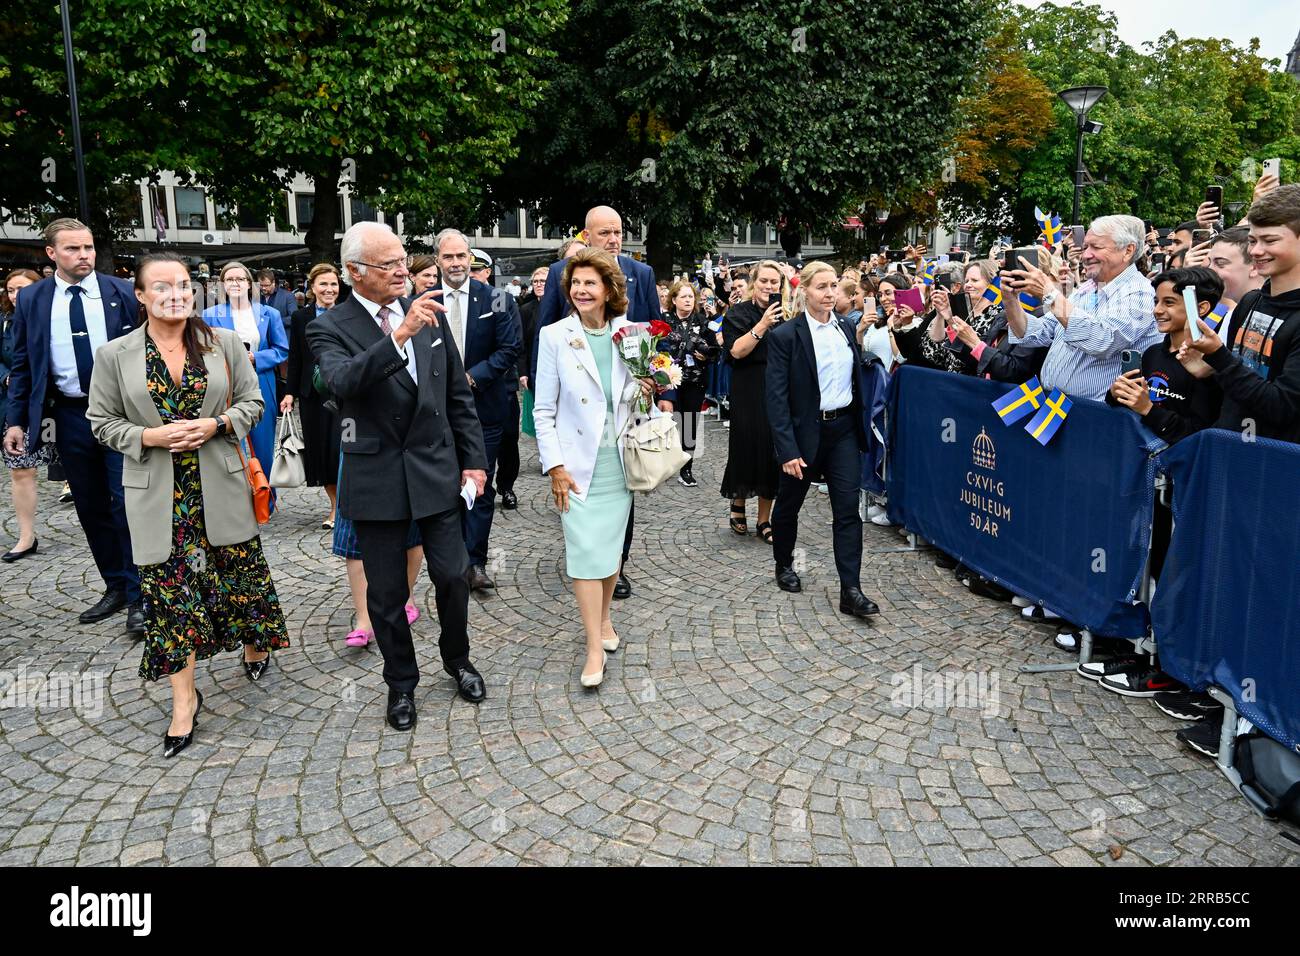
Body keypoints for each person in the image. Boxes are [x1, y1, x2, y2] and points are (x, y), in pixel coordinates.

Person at [87, 252, 289, 758]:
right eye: (162, 286)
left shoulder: (221, 345)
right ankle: (184, 700)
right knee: (170, 594)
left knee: (239, 574)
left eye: (182, 285)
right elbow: (101, 422)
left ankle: (254, 642)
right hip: (158, 494)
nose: (175, 294)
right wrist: (149, 436)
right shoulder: (115, 354)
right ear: (140, 295)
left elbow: (252, 403)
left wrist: (216, 425)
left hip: (219, 484)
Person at [307, 222, 489, 730]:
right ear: (353, 272)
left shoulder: (430, 316)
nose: (400, 271)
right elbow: (342, 381)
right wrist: (400, 333)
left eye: (402, 261)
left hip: (435, 470)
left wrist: (474, 460)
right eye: (388, 265)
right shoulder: (330, 325)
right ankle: (401, 683)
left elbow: (457, 395)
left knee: (453, 576)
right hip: (376, 477)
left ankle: (458, 659)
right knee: (386, 596)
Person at [3, 219, 143, 633]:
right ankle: (115, 585)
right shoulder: (33, 298)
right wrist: (15, 421)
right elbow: (24, 362)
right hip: (67, 414)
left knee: (125, 502)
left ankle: (141, 597)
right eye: (73, 249)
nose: (84, 255)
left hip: (121, 414)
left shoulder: (121, 291)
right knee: (90, 505)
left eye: (88, 247)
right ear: (51, 254)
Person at [531, 205, 672, 600]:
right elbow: (547, 330)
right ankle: (589, 562)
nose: (613, 239)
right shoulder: (563, 274)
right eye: (605, 233)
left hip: (623, 408)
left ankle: (617, 565)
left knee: (622, 490)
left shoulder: (640, 274)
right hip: (576, 402)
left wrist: (659, 387)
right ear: (586, 236)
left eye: (618, 232)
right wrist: (536, 385)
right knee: (580, 490)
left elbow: (656, 337)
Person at [533, 248, 654, 688]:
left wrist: (647, 388)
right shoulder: (553, 336)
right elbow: (542, 411)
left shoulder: (633, 334)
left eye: (590, 283)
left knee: (609, 555)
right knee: (585, 556)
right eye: (575, 283)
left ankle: (605, 620)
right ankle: (591, 647)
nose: (581, 290)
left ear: (608, 290)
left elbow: (635, 402)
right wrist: (555, 467)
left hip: (618, 461)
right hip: (578, 466)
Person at [766, 261, 880, 620]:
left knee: (847, 511)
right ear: (805, 291)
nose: (830, 293)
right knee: (788, 505)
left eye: (834, 286)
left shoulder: (846, 328)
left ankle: (851, 590)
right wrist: (787, 449)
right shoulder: (786, 335)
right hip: (803, 435)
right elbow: (776, 397)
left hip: (843, 430)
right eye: (821, 287)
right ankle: (784, 563)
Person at [430, 229, 521, 591]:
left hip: (485, 409)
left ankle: (475, 562)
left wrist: (470, 378)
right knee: (444, 489)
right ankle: (449, 559)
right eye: (448, 257)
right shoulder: (422, 300)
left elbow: (508, 348)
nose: (455, 263)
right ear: (437, 259)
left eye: (461, 256)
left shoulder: (497, 299)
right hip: (435, 416)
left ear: (471, 258)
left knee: (479, 486)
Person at [1178, 184, 1300, 444]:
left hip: (1279, 469)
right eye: (1253, 240)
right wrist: (1207, 373)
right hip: (1232, 453)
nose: (1255, 251)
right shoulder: (1250, 301)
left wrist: (1219, 358)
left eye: (1270, 240)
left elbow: (1283, 407)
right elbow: (1237, 393)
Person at [1004, 215, 1162, 401]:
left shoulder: (1140, 293)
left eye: (1096, 247)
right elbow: (1034, 334)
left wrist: (1049, 293)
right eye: (1086, 246)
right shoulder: (1085, 291)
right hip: (1054, 406)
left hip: (1096, 416)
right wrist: (1010, 299)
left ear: (1128, 251)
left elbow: (1103, 341)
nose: (1086, 255)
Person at [202, 261, 289, 510]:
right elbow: (204, 351)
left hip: (261, 381)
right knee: (230, 444)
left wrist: (255, 358)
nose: (236, 284)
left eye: (241, 279)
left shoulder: (268, 314)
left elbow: (282, 349)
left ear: (250, 284)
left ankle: (266, 500)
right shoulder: (210, 315)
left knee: (262, 444)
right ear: (223, 285)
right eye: (230, 279)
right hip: (226, 385)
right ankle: (236, 501)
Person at [719, 261, 785, 541]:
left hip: (776, 389)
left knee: (772, 452)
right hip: (747, 386)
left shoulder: (787, 315)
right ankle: (738, 502)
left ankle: (764, 520)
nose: (769, 287)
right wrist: (763, 324)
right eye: (764, 282)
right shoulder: (738, 313)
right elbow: (736, 351)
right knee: (745, 446)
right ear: (753, 284)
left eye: (774, 283)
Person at [280, 263, 343, 528]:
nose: (329, 289)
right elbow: (295, 357)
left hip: (342, 391)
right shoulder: (301, 317)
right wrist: (290, 393)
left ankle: (346, 506)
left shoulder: (348, 314)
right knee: (319, 452)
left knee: (340, 448)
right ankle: (335, 508)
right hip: (311, 396)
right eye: (324, 284)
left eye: (334, 284)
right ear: (312, 287)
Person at [927, 260, 1048, 383]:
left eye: (974, 280)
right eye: (967, 281)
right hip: (965, 385)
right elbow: (976, 359)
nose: (968, 285)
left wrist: (975, 343)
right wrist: (948, 318)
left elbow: (1013, 371)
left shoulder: (1040, 315)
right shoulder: (1001, 317)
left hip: (1004, 396)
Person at [1, 269, 49, 561]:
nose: (16, 295)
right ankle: (26, 536)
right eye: (11, 289)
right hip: (17, 406)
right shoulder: (5, 323)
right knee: (21, 470)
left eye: (23, 288)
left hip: (54, 406)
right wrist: (5, 376)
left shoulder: (52, 317)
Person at [659, 279, 717, 487]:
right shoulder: (663, 320)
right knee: (671, 423)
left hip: (694, 380)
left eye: (691, 297)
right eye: (683, 296)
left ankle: (687, 468)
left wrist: (707, 356)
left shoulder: (702, 321)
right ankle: (667, 463)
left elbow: (716, 348)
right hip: (669, 382)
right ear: (673, 299)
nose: (688, 300)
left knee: (690, 424)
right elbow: (656, 346)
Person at [517, 266, 548, 440]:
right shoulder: (526, 309)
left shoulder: (564, 306)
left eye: (542, 281)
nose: (538, 284)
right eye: (535, 281)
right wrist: (522, 372)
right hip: (534, 369)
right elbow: (521, 342)